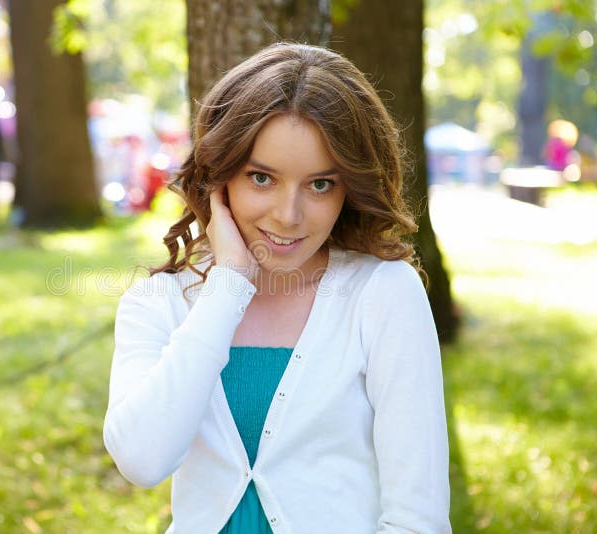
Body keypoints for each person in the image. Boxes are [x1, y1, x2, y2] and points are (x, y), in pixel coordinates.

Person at [103, 43, 451, 533]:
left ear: (350, 186)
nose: (289, 216)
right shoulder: (159, 302)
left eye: (320, 185)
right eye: (262, 178)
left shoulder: (383, 294)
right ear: (218, 176)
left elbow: (418, 518)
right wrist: (226, 288)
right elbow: (140, 459)